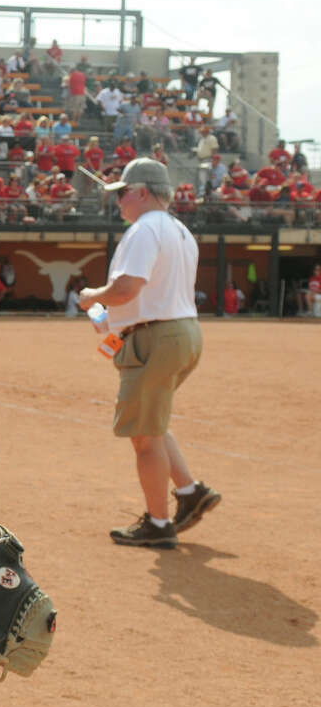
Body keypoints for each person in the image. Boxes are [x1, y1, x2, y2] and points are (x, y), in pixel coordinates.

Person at [77, 158, 221, 547]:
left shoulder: (144, 230)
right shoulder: (178, 229)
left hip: (156, 339)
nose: (119, 201)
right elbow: (149, 295)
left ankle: (159, 525)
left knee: (144, 434)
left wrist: (93, 296)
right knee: (152, 423)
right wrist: (109, 320)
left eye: (122, 193)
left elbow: (127, 288)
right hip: (180, 332)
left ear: (141, 192)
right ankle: (190, 492)